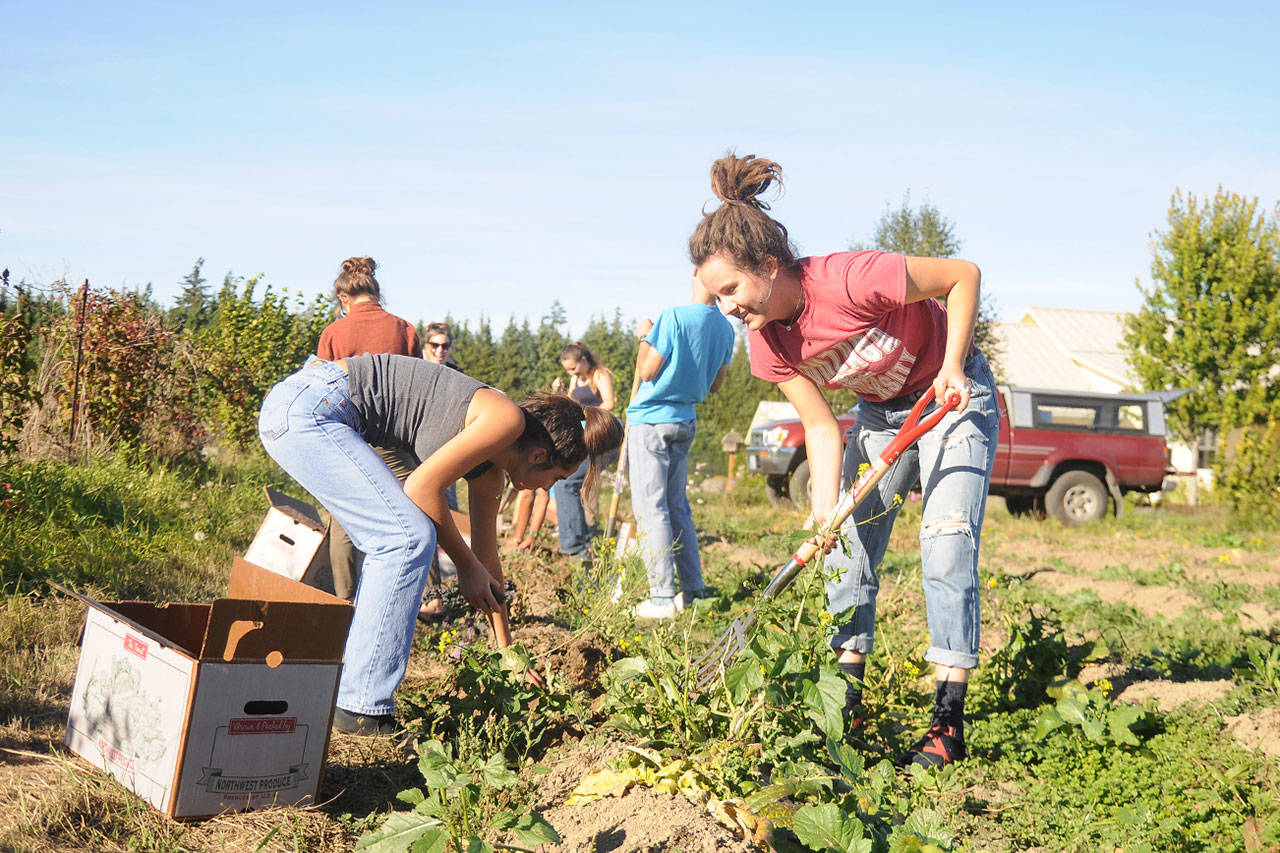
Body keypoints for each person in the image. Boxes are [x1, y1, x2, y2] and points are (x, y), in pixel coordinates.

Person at [688, 153, 999, 769]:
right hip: (882, 417)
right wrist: (823, 509)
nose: (727, 308)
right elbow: (820, 426)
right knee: (846, 547)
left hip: (951, 398)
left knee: (944, 542)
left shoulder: (852, 279)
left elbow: (963, 274)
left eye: (731, 290)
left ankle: (947, 720)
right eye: (715, 296)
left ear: (769, 267)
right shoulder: (766, 343)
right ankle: (846, 698)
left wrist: (955, 365)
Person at [259, 353, 623, 735]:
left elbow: (488, 560)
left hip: (315, 409)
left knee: (401, 537)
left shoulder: (490, 471)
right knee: (405, 539)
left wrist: (507, 651)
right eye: (557, 477)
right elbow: (421, 488)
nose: (548, 488)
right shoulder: (505, 419)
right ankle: (360, 707)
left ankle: (356, 693)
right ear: (538, 456)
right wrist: (466, 568)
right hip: (311, 408)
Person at [627, 279, 735, 619]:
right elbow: (717, 385)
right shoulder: (726, 329)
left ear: (696, 276)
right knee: (677, 505)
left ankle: (661, 599)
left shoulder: (672, 317)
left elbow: (646, 371)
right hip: (686, 420)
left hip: (651, 421)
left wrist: (646, 336)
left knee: (651, 507)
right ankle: (693, 589)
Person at [316, 257, 422, 601]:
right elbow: (420, 385)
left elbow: (320, 389)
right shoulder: (404, 329)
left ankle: (345, 600)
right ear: (376, 293)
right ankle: (427, 594)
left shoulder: (334, 333)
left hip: (347, 435)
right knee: (419, 507)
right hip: (393, 436)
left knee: (344, 518)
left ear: (343, 299)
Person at [552, 342, 616, 561]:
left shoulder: (599, 375)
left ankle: (577, 544)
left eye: (573, 368)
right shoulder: (575, 379)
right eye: (568, 370)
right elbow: (572, 403)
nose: (571, 373)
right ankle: (582, 540)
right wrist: (560, 394)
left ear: (583, 360)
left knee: (568, 483)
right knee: (574, 484)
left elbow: (609, 403)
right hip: (581, 433)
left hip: (599, 433)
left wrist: (586, 413)